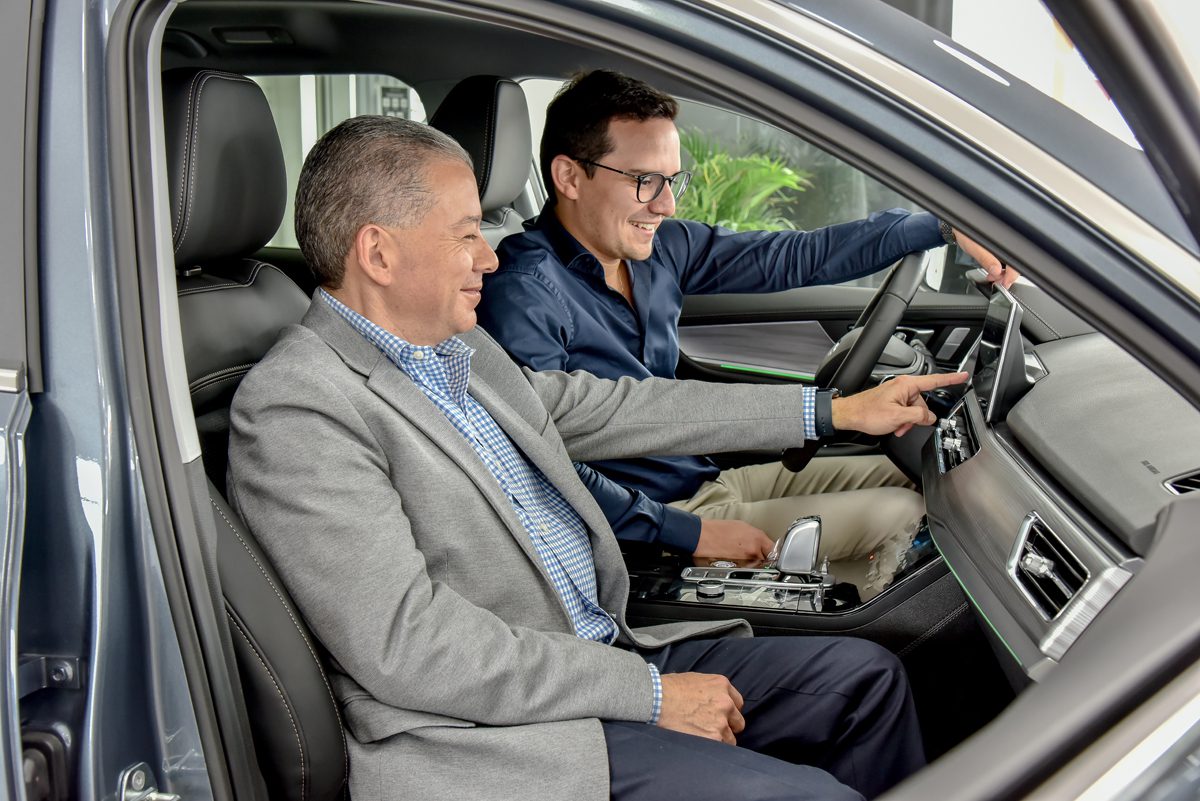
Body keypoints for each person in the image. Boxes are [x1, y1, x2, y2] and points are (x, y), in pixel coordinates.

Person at [226, 115, 967, 801]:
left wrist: (832, 411)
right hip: (505, 736)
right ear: (379, 251)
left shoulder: (460, 349)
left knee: (866, 683)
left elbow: (616, 405)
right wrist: (646, 694)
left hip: (601, 651)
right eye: (464, 235)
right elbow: (411, 645)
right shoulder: (301, 406)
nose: (489, 253)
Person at [478, 69, 1013, 591]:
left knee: (925, 473)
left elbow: (796, 257)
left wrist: (940, 224)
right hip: (644, 525)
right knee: (902, 512)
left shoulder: (659, 248)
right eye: (645, 181)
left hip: (701, 479)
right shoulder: (521, 293)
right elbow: (541, 469)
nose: (665, 205)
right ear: (570, 177)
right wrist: (689, 532)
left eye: (672, 180)